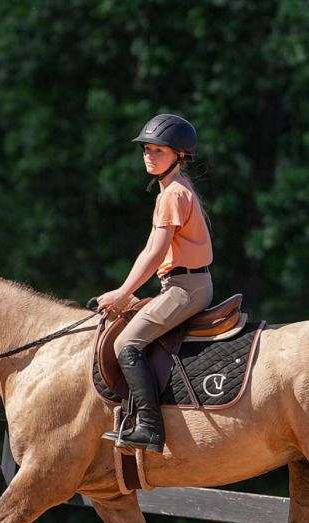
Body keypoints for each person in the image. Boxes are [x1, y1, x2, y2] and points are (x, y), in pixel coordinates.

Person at [96, 113, 214, 453]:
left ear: (179, 155)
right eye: (147, 149)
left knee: (125, 344)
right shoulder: (172, 191)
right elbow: (151, 250)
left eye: (158, 151)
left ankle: (149, 427)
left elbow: (156, 252)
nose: (149, 155)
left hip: (186, 289)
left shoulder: (172, 195)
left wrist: (124, 292)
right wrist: (125, 292)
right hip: (179, 285)